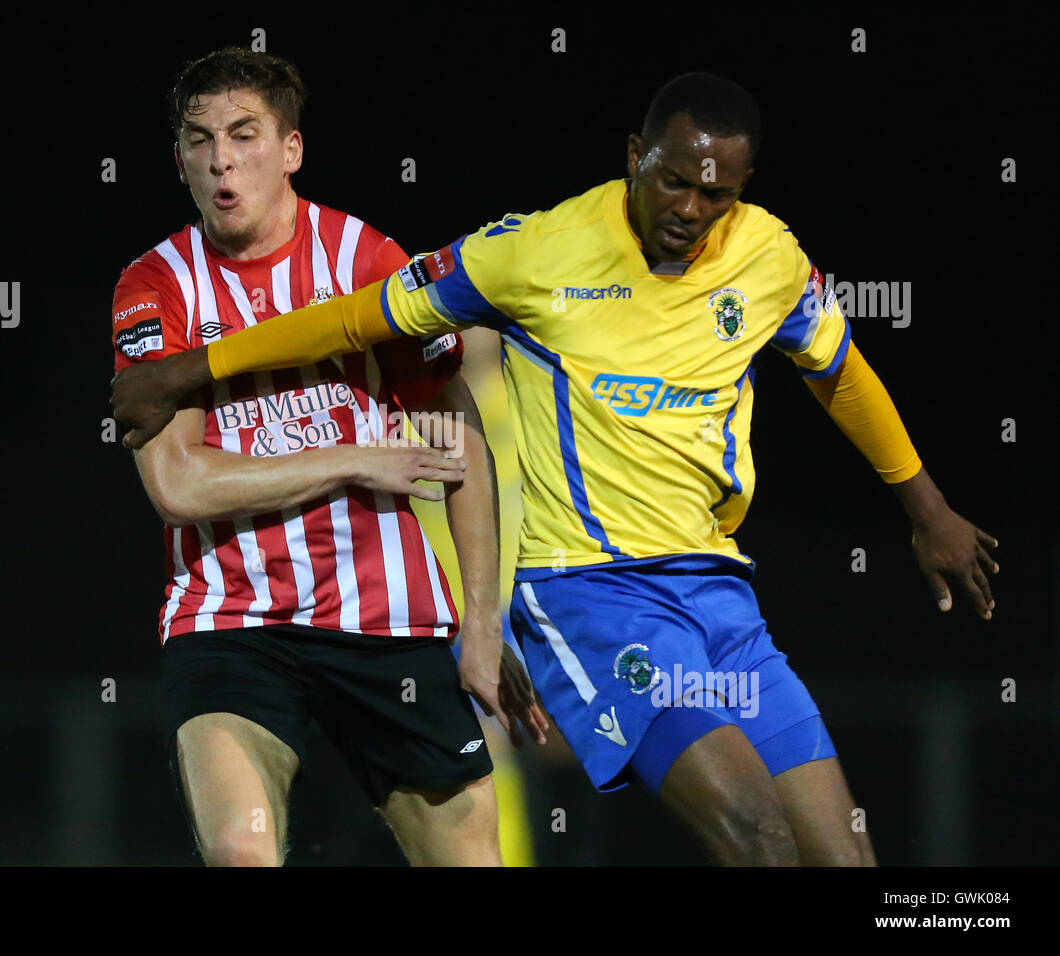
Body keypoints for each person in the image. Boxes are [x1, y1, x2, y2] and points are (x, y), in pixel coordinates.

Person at [111, 71, 999, 866]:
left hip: (695, 592)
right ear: (633, 158)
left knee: (844, 859)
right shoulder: (533, 251)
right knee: (757, 838)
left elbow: (838, 370)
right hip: (577, 592)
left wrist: (926, 508)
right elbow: (349, 329)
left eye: (714, 193)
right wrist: (191, 374)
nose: (690, 208)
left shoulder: (767, 254)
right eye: (673, 181)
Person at [111, 48, 544, 867]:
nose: (221, 160)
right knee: (243, 854)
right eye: (200, 142)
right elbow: (178, 483)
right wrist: (348, 458)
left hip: (389, 619)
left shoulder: (367, 263)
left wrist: (481, 626)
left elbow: (460, 436)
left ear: (291, 149)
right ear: (179, 162)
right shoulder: (155, 285)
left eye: (243, 136)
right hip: (231, 620)